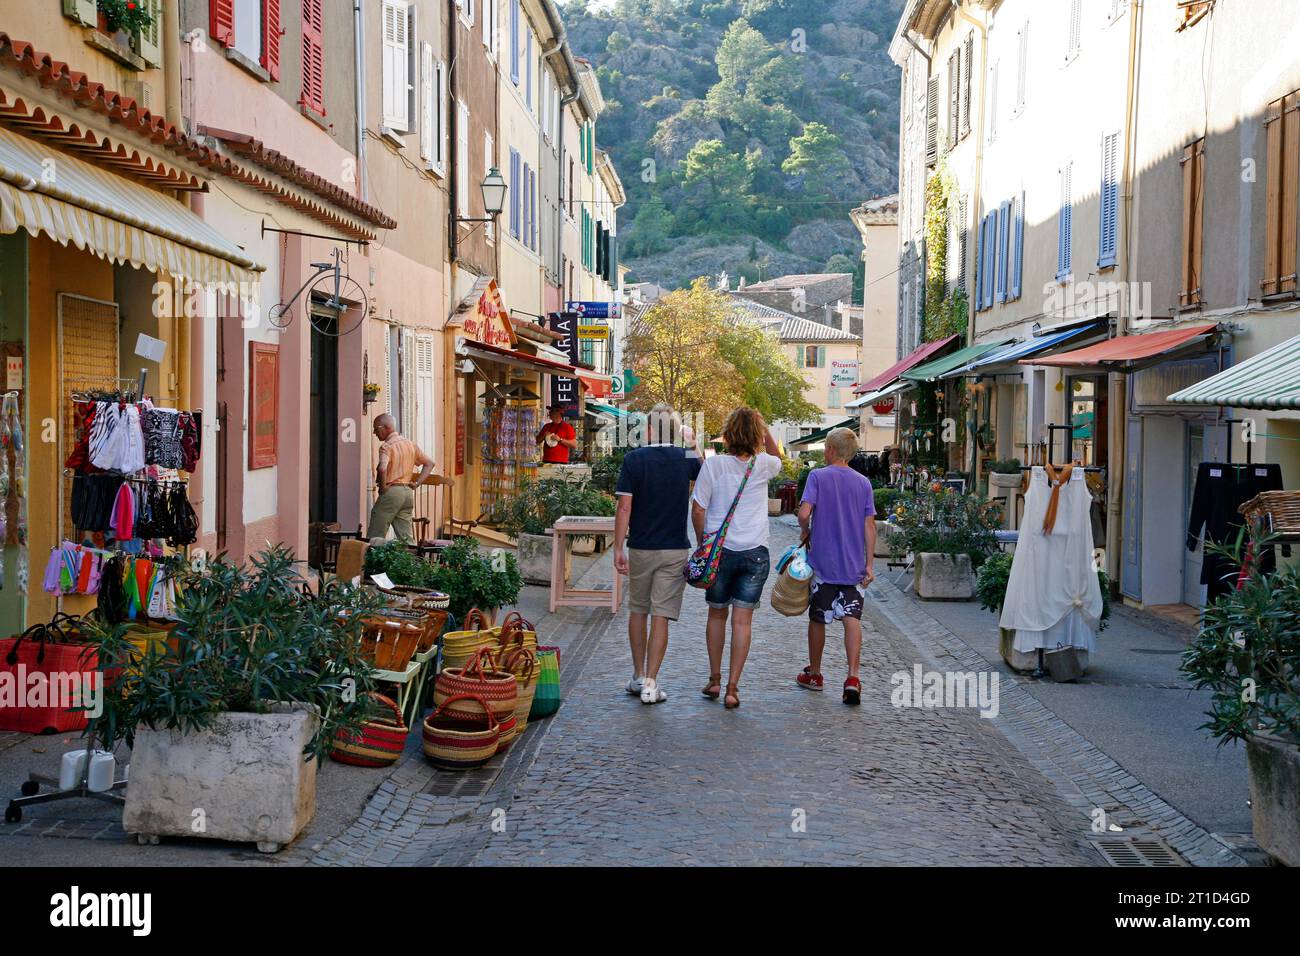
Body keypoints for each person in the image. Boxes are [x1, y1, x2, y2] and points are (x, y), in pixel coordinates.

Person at [691, 408, 784, 709]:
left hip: (720, 552)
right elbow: (778, 453)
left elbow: (698, 509)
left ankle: (715, 679)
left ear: (728, 435)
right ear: (756, 436)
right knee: (742, 622)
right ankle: (733, 688)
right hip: (755, 552)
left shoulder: (713, 465)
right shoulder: (764, 465)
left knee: (717, 614)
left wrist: (703, 542)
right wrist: (764, 427)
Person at [612, 404, 702, 704]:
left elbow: (624, 507)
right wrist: (692, 443)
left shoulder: (634, 459)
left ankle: (637, 676)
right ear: (676, 431)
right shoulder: (685, 459)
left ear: (649, 430)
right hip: (675, 548)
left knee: (638, 610)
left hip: (641, 546)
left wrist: (617, 547)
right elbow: (704, 475)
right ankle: (652, 682)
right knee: (661, 615)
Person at [795, 427, 876, 705]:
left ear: (829, 450)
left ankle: (815, 674)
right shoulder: (863, 483)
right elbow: (869, 525)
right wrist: (869, 564)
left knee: (818, 617)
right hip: (853, 564)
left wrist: (805, 530)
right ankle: (853, 678)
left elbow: (804, 512)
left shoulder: (817, 476)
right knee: (852, 618)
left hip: (823, 563)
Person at [368, 413, 434, 542]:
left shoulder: (386, 447)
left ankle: (372, 561)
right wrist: (417, 483)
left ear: (384, 428)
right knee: (406, 538)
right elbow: (429, 464)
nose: (374, 433)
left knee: (375, 534)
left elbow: (382, 468)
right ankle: (413, 561)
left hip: (392, 492)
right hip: (407, 493)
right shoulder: (410, 444)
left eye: (376, 429)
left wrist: (382, 487)